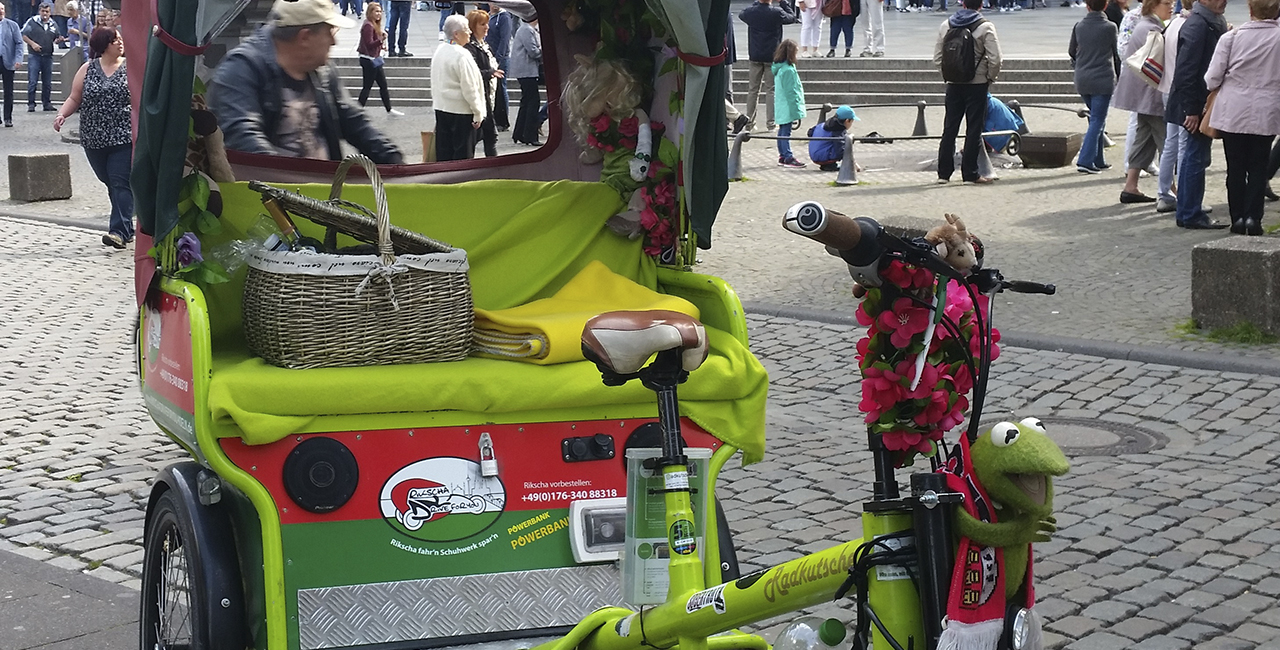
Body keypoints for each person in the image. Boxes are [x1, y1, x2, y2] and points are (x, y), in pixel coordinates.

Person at [209, 0, 403, 164]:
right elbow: (244, 139)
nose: (334, 42)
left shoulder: (323, 70)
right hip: (273, 200)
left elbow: (356, 123)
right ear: (305, 37)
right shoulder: (242, 69)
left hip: (324, 194)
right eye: (329, 32)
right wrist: (295, 191)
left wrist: (398, 164)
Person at [1203, 0, 1280, 235]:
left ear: (1250, 10)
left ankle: (1237, 217)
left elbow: (1211, 78)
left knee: (1235, 167)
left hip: (1233, 109)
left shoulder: (1231, 38)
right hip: (1266, 109)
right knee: (1258, 166)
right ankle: (1253, 218)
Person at [53, 28, 132, 249]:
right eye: (114, 39)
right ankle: (128, 226)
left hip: (123, 136)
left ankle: (118, 232)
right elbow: (74, 97)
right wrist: (62, 115)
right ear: (103, 45)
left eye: (120, 38)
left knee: (120, 181)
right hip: (93, 138)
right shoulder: (87, 69)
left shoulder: (131, 67)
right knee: (109, 181)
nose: (120, 42)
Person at [1166, 0, 1230, 229]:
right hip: (1195, 105)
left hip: (1198, 103)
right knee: (1195, 157)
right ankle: (1191, 213)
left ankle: (1187, 211)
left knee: (1194, 157)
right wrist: (1192, 110)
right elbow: (1186, 71)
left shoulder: (1209, 21)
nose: (1225, 1)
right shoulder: (1198, 24)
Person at [933, 0, 1001, 184]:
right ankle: (970, 173)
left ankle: (943, 174)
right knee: (974, 129)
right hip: (977, 84)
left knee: (949, 128)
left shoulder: (946, 25)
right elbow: (996, 59)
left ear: (962, 4)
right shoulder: (985, 26)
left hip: (953, 84)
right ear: (980, 5)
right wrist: (989, 78)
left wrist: (948, 75)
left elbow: (937, 57)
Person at [1111, 0, 1173, 202]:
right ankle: (1171, 190)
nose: (1171, 6)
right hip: (1149, 93)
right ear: (1154, 5)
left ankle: (1131, 186)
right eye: (1167, 2)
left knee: (1144, 139)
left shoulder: (1145, 24)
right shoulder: (1152, 29)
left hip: (1140, 92)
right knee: (1167, 143)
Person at [1069, 0, 1120, 174]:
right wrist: (1119, 76)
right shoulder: (1110, 27)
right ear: (1105, 6)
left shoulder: (1079, 26)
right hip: (1102, 79)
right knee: (1098, 119)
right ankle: (1085, 160)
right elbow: (1116, 53)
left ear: (1087, 6)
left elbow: (1071, 51)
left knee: (1096, 118)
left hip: (1082, 78)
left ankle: (1098, 159)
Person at [431, 14, 485, 160]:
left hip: (442, 108)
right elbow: (470, 87)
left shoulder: (440, 50)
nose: (470, 32)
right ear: (456, 34)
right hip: (461, 112)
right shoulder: (462, 55)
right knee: (463, 154)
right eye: (466, 29)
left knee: (444, 153)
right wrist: (478, 112)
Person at [739, 0, 796, 130]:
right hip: (772, 56)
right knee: (771, 90)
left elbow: (741, 14)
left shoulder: (751, 12)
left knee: (753, 90)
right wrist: (783, 3)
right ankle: (771, 123)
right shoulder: (776, 13)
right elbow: (792, 17)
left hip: (755, 55)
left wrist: (756, 3)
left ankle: (749, 123)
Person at [1155, 8, 1188, 212]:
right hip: (1181, 89)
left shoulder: (1173, 23)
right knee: (1185, 144)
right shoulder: (1190, 25)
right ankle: (1186, 195)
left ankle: (1164, 192)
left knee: (1171, 142)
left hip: (1167, 87)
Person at [464, 9, 501, 157]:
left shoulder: (484, 45)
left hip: (488, 95)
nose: (487, 27)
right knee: (475, 138)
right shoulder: (469, 47)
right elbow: (471, 73)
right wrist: (490, 73)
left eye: (487, 23)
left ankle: (494, 168)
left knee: (491, 136)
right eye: (482, 24)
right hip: (478, 99)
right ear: (473, 27)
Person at [357, 2, 403, 115]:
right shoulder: (368, 25)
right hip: (368, 60)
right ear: (370, 12)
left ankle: (389, 109)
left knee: (382, 85)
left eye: (380, 11)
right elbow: (369, 44)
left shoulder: (373, 24)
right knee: (367, 86)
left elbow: (373, 43)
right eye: (376, 11)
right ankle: (357, 110)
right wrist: (381, 40)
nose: (379, 14)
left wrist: (381, 45)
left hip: (374, 59)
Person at [22, 2, 63, 112]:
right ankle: (31, 104)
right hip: (34, 55)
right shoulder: (32, 22)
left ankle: (46, 103)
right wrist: (32, 44)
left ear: (50, 13)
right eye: (43, 11)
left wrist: (58, 40)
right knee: (33, 81)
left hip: (48, 55)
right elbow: (23, 35)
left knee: (47, 82)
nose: (45, 13)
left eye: (47, 12)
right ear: (39, 11)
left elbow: (56, 37)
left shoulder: (53, 24)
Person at [772, 39, 806, 168]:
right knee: (786, 132)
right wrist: (796, 110)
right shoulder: (788, 70)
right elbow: (791, 92)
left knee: (782, 131)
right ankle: (787, 156)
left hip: (781, 105)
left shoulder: (780, 68)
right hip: (787, 106)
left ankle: (783, 155)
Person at [509, 14, 542, 146]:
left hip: (524, 70)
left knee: (526, 101)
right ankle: (530, 135)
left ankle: (520, 133)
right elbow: (533, 52)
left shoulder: (526, 29)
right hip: (527, 70)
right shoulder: (527, 30)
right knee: (533, 102)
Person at [485, 4, 514, 130]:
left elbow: (505, 40)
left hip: (500, 58)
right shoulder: (489, 16)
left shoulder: (504, 17)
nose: (494, 5)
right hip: (489, 56)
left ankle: (503, 120)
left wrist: (498, 58)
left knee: (501, 88)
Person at [808, 105, 858, 171]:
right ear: (847, 120)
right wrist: (853, 164)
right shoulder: (838, 131)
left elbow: (810, 133)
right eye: (852, 121)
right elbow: (840, 150)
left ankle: (826, 164)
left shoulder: (824, 124)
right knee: (846, 143)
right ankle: (829, 165)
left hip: (813, 155)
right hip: (822, 157)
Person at [1, 3, 23, 128]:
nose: (1, 12)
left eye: (2, 9)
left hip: (8, 60)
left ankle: (8, 118)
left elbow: (19, 43)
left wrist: (18, 59)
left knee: (8, 91)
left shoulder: (12, 25)